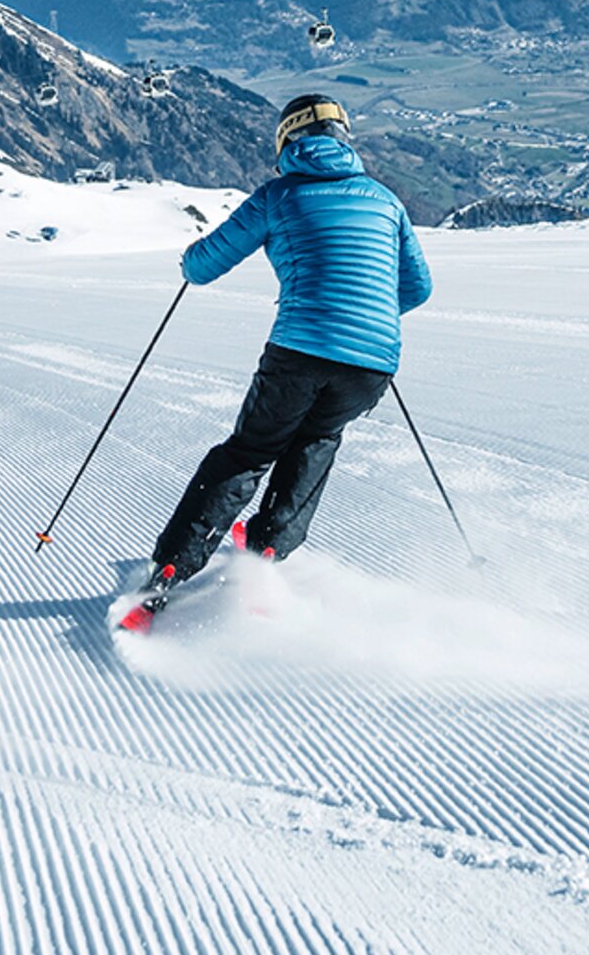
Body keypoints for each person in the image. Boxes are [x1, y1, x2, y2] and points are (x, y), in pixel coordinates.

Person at [129, 95, 431, 622]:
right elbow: (418, 288)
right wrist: (367, 314)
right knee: (316, 439)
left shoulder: (279, 196)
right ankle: (267, 550)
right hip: (374, 362)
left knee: (248, 453)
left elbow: (203, 267)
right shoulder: (385, 200)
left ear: (287, 140)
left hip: (300, 349)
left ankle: (170, 571)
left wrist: (186, 260)